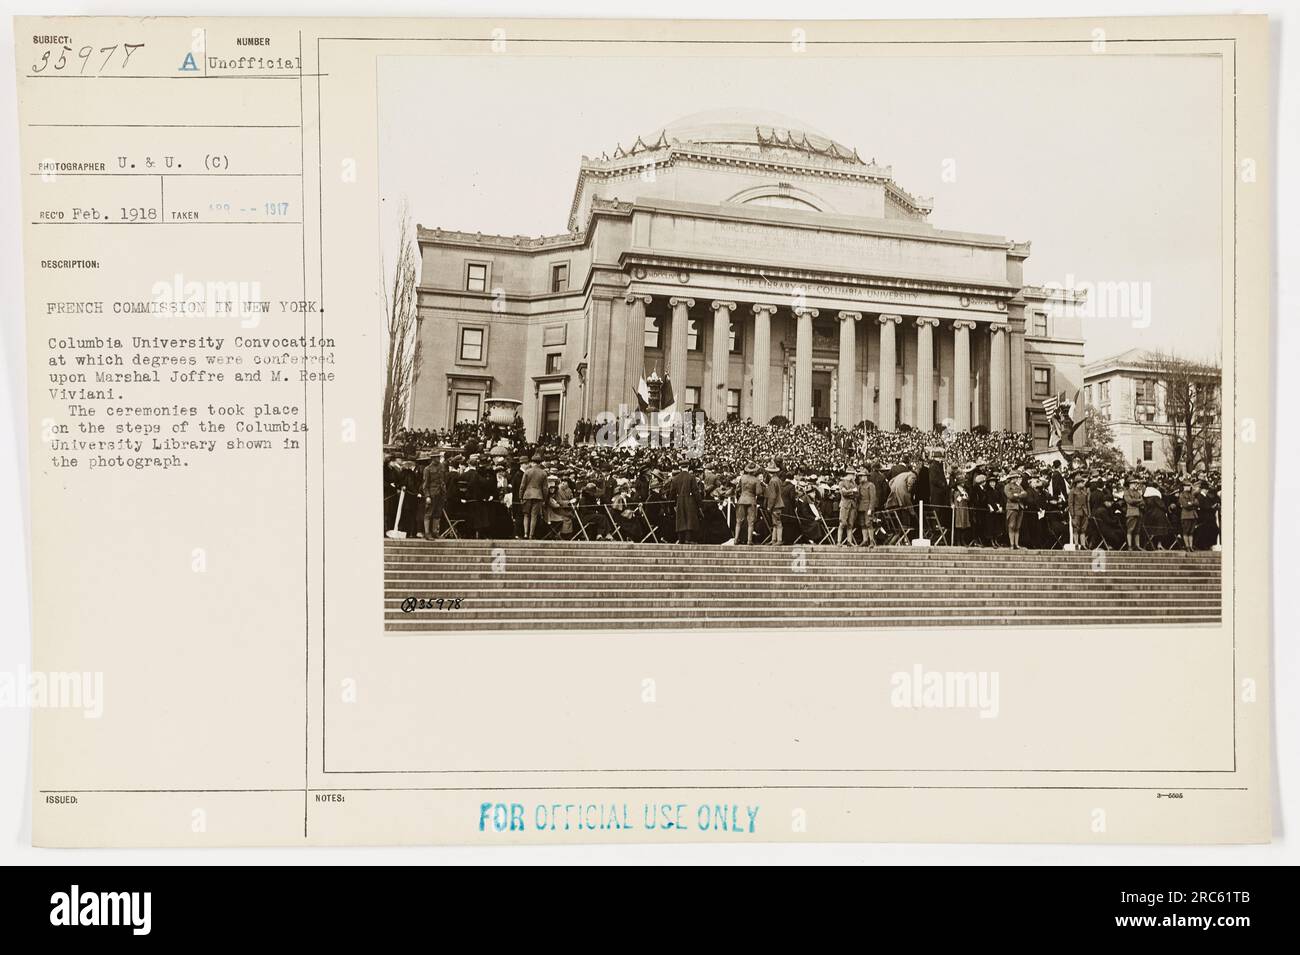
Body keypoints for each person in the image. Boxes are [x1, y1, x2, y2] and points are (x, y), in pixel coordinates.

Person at [667, 463, 705, 543]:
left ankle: (681, 539)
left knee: (681, 519)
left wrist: (671, 504)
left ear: (680, 467)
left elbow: (672, 493)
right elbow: (695, 492)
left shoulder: (675, 478)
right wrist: (700, 504)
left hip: (679, 501)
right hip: (690, 500)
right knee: (689, 520)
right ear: (687, 467)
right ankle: (688, 538)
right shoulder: (691, 477)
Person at [519, 453, 548, 539]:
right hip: (538, 495)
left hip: (527, 495)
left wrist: (520, 496)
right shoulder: (543, 473)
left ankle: (525, 533)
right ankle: (531, 535)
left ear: (532, 462)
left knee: (526, 515)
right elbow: (545, 488)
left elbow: (522, 486)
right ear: (540, 463)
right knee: (534, 516)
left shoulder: (527, 472)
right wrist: (544, 499)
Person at [421, 452, 449, 540]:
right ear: (433, 458)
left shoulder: (442, 467)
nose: (438, 458)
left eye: (439, 457)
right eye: (436, 457)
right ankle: (427, 533)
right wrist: (427, 496)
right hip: (432, 493)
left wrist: (444, 492)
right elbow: (425, 485)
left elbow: (443, 480)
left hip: (440, 493)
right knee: (428, 513)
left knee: (437, 514)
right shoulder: (427, 469)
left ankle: (435, 532)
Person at [734, 464, 761, 545]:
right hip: (751, 499)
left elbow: (738, 488)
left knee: (739, 521)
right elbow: (758, 492)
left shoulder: (742, 478)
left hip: (742, 499)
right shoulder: (756, 480)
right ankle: (749, 540)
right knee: (751, 521)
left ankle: (736, 538)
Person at [1003, 471, 1027, 549]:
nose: (1016, 479)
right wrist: (1019, 495)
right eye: (1014, 477)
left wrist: (1017, 495)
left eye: (1016, 477)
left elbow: (1025, 494)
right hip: (1011, 507)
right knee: (1011, 526)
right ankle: (1012, 544)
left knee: (1018, 526)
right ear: (1011, 478)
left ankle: (1016, 544)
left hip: (1020, 507)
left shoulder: (1019, 486)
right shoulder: (1007, 486)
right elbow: (1010, 496)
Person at [763, 465, 786, 545]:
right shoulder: (778, 480)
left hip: (775, 505)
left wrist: (769, 506)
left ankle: (779, 540)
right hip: (779, 503)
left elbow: (772, 496)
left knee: (777, 523)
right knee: (775, 522)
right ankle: (774, 539)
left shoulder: (772, 481)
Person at [856, 468, 878, 546]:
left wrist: (870, 509)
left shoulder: (870, 485)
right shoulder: (859, 486)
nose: (860, 477)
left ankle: (871, 540)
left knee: (868, 523)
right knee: (862, 524)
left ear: (865, 476)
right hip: (860, 507)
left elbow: (873, 498)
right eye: (859, 476)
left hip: (867, 507)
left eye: (861, 476)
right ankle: (865, 540)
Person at [837, 468, 859, 545]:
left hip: (852, 505)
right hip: (844, 505)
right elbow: (844, 493)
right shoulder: (842, 482)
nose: (855, 476)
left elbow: (857, 494)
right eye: (854, 474)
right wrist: (852, 491)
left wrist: (850, 492)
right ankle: (839, 541)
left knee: (850, 524)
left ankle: (849, 541)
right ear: (850, 474)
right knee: (842, 523)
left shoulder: (854, 483)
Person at [1067, 474, 1090, 549]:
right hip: (1076, 512)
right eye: (1081, 482)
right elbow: (1070, 503)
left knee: (1083, 529)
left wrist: (1088, 513)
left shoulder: (1084, 492)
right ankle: (1076, 544)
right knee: (1076, 528)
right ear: (1077, 483)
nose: (1083, 484)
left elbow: (1087, 503)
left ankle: (1083, 544)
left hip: (1084, 512)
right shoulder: (1072, 492)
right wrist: (1072, 514)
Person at [1123, 476, 1146, 550]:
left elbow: (1142, 502)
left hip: (1139, 512)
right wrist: (1138, 500)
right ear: (1129, 484)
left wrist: (1138, 501)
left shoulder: (1137, 492)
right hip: (1131, 512)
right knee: (1130, 529)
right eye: (1133, 483)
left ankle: (1137, 545)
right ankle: (1129, 545)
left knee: (1137, 530)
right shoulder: (1126, 492)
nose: (1135, 485)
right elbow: (1129, 501)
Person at [1177, 480, 1200, 551]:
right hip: (1186, 515)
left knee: (1191, 532)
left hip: (1193, 515)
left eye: (1190, 486)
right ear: (1184, 487)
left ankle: (1191, 546)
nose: (1189, 487)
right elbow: (1185, 505)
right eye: (1188, 486)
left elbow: (1197, 503)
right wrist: (1192, 503)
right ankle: (1187, 546)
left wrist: (1191, 503)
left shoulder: (1191, 494)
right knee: (1186, 531)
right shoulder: (1182, 495)